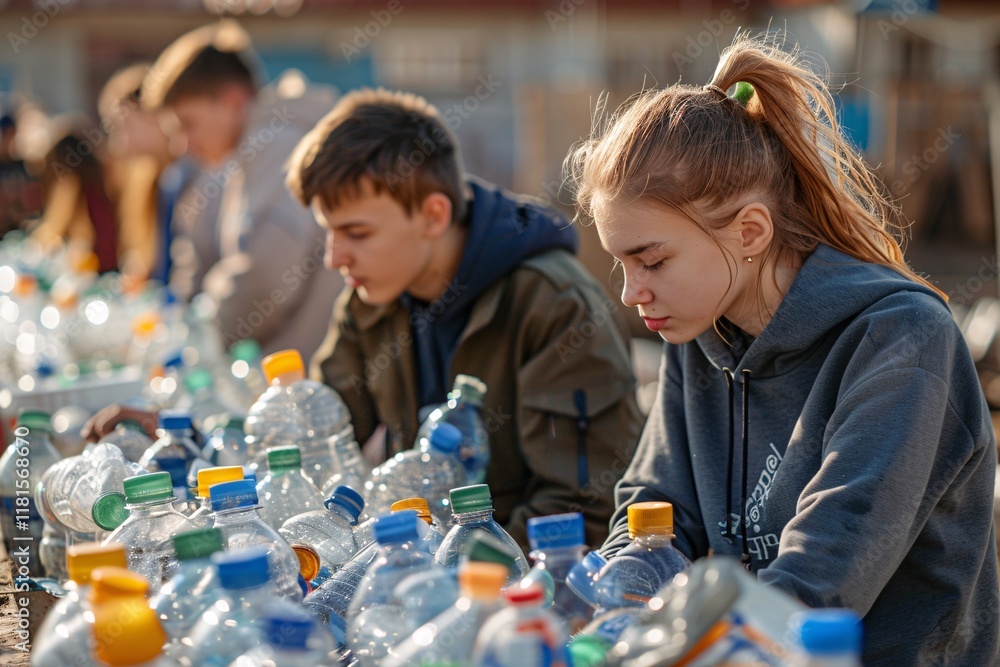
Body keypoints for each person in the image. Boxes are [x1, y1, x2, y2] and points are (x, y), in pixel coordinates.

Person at [566, 37, 1000, 665]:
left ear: (749, 232)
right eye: (620, 264)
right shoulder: (700, 331)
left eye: (652, 259)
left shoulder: (902, 339)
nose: (632, 293)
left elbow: (823, 575)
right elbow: (656, 518)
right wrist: (623, 590)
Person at [285, 88, 644, 548]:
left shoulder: (555, 305)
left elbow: (587, 508)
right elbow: (318, 448)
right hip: (414, 566)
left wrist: (452, 566)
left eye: (357, 232)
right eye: (329, 233)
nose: (335, 257)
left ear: (434, 215)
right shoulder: (368, 300)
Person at [141, 20, 342, 359]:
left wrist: (200, 339)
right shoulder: (256, 149)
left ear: (234, 102)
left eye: (188, 124)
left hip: (307, 378)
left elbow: (264, 276)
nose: (181, 145)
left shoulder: (275, 145)